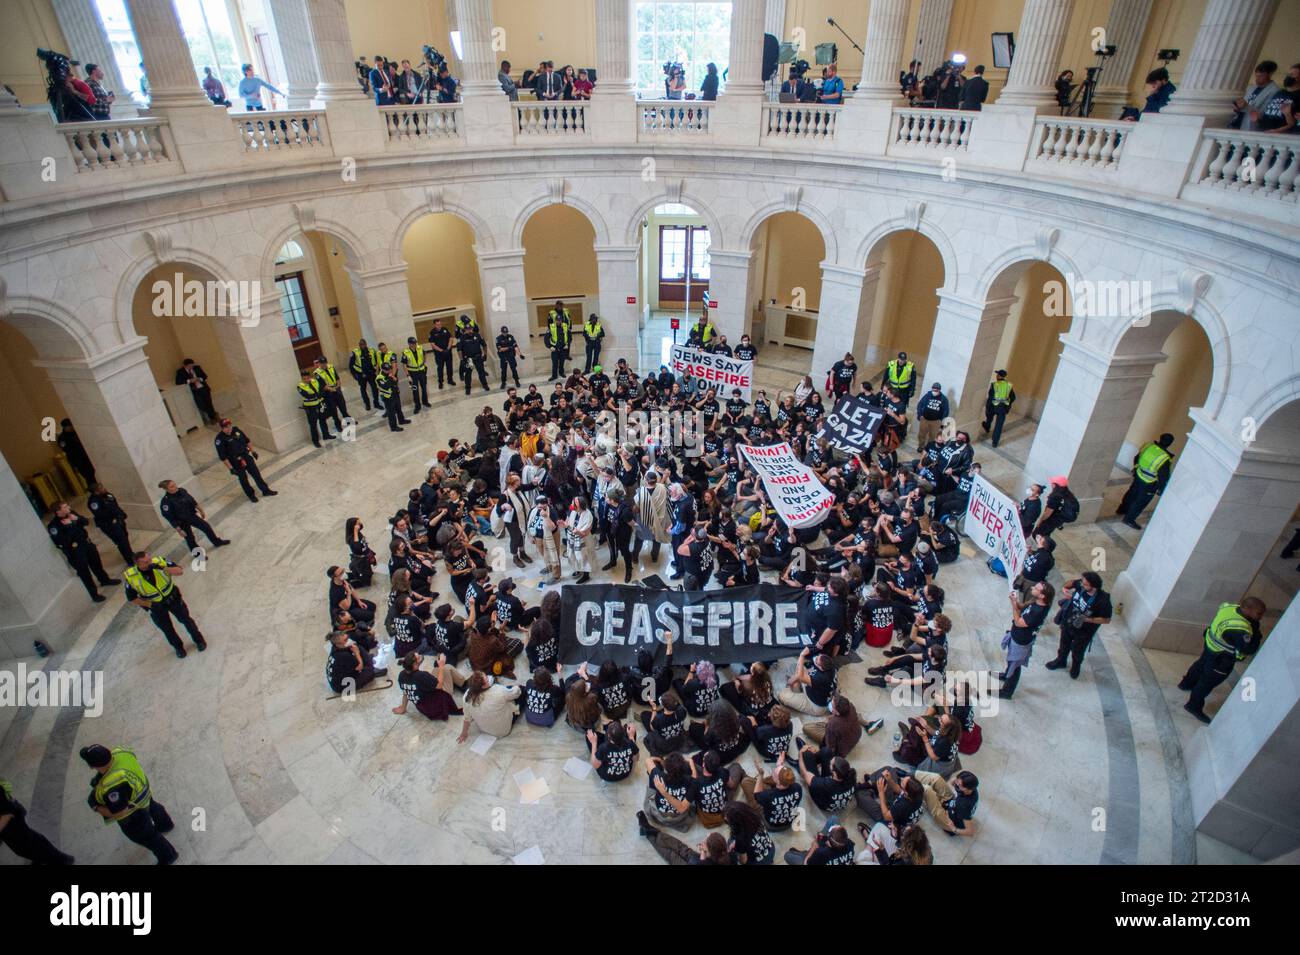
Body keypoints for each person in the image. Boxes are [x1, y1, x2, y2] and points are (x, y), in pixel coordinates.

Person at [80, 744, 177, 864]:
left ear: (92, 766)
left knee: (145, 835)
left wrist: (96, 807)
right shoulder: (120, 752)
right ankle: (165, 824)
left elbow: (120, 812)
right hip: (142, 790)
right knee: (153, 807)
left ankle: (168, 855)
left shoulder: (112, 786)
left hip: (134, 813)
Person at [1178, 597, 1266, 724]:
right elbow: (1248, 649)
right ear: (1247, 609)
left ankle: (1185, 684)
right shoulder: (1239, 628)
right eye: (1258, 613)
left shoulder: (1230, 608)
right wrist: (1257, 633)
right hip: (1221, 659)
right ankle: (1193, 706)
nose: (1261, 616)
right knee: (1207, 682)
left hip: (1211, 647)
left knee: (1199, 666)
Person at [124, 551, 207, 658]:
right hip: (156, 606)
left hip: (173, 599)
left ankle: (199, 640)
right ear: (137, 564)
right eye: (145, 562)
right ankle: (178, 648)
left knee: (187, 620)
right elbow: (132, 598)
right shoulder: (131, 577)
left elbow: (179, 571)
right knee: (167, 629)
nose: (149, 563)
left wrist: (162, 567)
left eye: (149, 560)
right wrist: (150, 605)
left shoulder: (160, 562)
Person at [1045, 572, 1112, 679]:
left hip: (1084, 631)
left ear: (1093, 586)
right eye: (1082, 582)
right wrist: (1065, 590)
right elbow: (1069, 583)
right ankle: (1061, 660)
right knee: (1064, 644)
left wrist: (1087, 619)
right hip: (1068, 622)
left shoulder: (1103, 600)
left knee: (1078, 650)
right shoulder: (1080, 585)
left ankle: (1076, 667)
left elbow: (1106, 619)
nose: (1082, 585)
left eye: (1085, 584)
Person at [998, 581, 1054, 699]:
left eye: (1036, 588)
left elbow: (1019, 622)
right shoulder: (1035, 601)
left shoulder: (1038, 612)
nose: (1032, 587)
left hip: (1021, 641)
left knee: (1015, 666)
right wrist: (1015, 602)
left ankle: (1007, 692)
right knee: (1011, 662)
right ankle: (1006, 674)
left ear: (1042, 595)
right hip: (1016, 635)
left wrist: (1014, 607)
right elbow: (1021, 608)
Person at [0, 778, 74, 864]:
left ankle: (61, 859)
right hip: (7, 827)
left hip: (12, 824)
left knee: (29, 844)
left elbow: (8, 813)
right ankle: (46, 858)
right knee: (24, 846)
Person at [1118, 433, 1174, 529]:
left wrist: (1136, 468)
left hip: (1138, 475)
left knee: (1131, 493)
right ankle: (1129, 519)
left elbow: (1137, 457)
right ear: (1170, 444)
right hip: (1149, 483)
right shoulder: (1164, 458)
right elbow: (1163, 476)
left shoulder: (1149, 446)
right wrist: (1160, 489)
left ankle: (1122, 509)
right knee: (1140, 501)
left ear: (1160, 438)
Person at [213, 418, 277, 503]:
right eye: (226, 427)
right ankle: (251, 495)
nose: (229, 428)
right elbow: (223, 457)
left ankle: (265, 490)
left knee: (256, 474)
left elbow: (247, 440)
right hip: (235, 462)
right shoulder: (219, 439)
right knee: (243, 480)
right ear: (222, 428)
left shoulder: (236, 430)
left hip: (246, 456)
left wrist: (253, 451)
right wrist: (231, 468)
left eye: (229, 425)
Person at [158, 479, 229, 552]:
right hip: (181, 522)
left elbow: (191, 500)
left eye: (175, 484)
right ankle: (197, 553)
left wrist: (200, 510)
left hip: (191, 516)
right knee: (190, 538)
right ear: (166, 489)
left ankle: (217, 542)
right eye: (172, 486)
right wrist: (179, 530)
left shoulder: (182, 491)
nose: (175, 487)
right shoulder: (166, 501)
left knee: (206, 527)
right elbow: (169, 517)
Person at [393, 651, 466, 722]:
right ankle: (464, 685)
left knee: (436, 670)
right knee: (447, 667)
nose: (421, 656)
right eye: (419, 658)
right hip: (436, 707)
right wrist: (441, 665)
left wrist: (403, 708)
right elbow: (439, 685)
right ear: (415, 665)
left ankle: (460, 682)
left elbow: (406, 692)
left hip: (423, 707)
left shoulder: (402, 675)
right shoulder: (421, 675)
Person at [457, 671, 523, 741]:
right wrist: (517, 687)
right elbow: (516, 694)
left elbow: (467, 718)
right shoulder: (498, 690)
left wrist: (463, 733)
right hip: (503, 730)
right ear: (483, 686)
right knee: (522, 691)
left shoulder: (466, 697)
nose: (489, 678)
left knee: (506, 692)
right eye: (487, 680)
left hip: (484, 729)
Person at [86, 483, 135, 567]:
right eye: (101, 488)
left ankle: (130, 553)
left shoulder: (108, 495)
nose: (104, 489)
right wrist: (114, 516)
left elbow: (115, 505)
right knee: (121, 542)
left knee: (125, 538)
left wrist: (121, 514)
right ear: (96, 492)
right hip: (109, 525)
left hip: (119, 520)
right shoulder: (93, 502)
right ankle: (129, 560)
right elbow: (101, 514)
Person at [784, 821, 855, 865]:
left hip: (817, 859)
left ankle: (806, 853)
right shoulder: (850, 843)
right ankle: (818, 840)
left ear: (828, 842)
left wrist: (813, 848)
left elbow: (806, 863)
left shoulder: (821, 853)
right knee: (834, 819)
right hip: (831, 852)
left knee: (788, 855)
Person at [298, 368, 335, 447]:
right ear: (302, 379)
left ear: (310, 377)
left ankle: (326, 435)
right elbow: (307, 395)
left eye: (307, 378)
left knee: (323, 420)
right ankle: (315, 441)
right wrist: (317, 394)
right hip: (310, 408)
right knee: (313, 425)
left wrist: (318, 394)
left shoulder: (315, 381)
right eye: (304, 379)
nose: (306, 380)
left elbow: (321, 390)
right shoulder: (300, 386)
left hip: (319, 404)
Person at [175, 358, 217, 423]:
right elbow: (178, 382)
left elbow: (205, 376)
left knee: (209, 402)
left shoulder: (197, 368)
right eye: (189, 366)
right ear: (185, 365)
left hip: (203, 387)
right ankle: (212, 415)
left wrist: (199, 379)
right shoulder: (180, 371)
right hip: (194, 390)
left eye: (192, 365)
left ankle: (213, 417)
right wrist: (189, 381)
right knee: (201, 405)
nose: (191, 367)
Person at [981, 369, 1015, 447]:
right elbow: (1013, 397)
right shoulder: (1009, 385)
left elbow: (990, 397)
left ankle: (987, 426)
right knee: (999, 425)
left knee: (989, 416)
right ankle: (995, 442)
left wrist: (988, 407)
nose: (996, 376)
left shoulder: (994, 385)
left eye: (997, 374)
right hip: (1003, 407)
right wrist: (1008, 405)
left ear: (999, 376)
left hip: (993, 405)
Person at [313, 356, 349, 427]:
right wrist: (333, 389)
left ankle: (348, 420)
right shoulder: (317, 373)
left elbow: (337, 377)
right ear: (319, 364)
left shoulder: (331, 367)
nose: (324, 365)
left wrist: (338, 386)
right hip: (328, 393)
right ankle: (338, 425)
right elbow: (323, 385)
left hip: (336, 389)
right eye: (322, 363)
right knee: (333, 411)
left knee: (343, 407)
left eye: (325, 363)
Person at [376, 361, 411, 433]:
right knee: (391, 413)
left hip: (395, 394)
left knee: (398, 408)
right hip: (388, 397)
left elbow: (395, 382)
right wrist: (390, 378)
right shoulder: (379, 377)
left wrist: (393, 379)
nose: (389, 370)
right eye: (387, 369)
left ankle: (401, 420)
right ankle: (393, 427)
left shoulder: (390, 374)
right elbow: (385, 386)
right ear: (383, 369)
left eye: (390, 369)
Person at [401, 336, 431, 413]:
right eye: (413, 343)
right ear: (409, 344)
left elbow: (425, 354)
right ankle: (417, 406)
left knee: (424, 388)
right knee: (415, 390)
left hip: (421, 371)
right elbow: (404, 365)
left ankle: (425, 402)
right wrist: (408, 376)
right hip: (413, 373)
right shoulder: (405, 352)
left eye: (415, 343)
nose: (415, 344)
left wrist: (423, 362)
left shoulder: (420, 348)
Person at [349, 339, 381, 410]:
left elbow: (377, 361)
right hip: (361, 374)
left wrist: (377, 371)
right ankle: (367, 404)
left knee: (375, 389)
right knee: (363, 390)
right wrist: (355, 376)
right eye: (361, 345)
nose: (362, 346)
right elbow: (351, 366)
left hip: (371, 373)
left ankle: (376, 403)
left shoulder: (372, 350)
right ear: (359, 345)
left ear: (366, 344)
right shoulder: (355, 352)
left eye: (363, 344)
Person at [545, 302, 572, 381]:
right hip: (555, 348)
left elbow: (569, 336)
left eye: (560, 320)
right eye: (557, 320)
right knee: (555, 363)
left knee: (562, 362)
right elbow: (546, 339)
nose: (558, 321)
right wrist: (550, 347)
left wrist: (567, 344)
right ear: (555, 320)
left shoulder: (565, 326)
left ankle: (561, 373)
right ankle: (554, 375)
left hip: (563, 347)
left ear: (561, 320)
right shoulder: (551, 327)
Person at [495, 324, 522, 389]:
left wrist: (520, 354)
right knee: (503, 370)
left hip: (511, 356)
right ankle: (503, 382)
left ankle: (516, 380)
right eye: (504, 332)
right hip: (503, 357)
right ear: (501, 332)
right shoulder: (498, 338)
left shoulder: (511, 337)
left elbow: (515, 346)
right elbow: (500, 349)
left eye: (506, 332)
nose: (505, 333)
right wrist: (510, 347)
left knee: (514, 369)